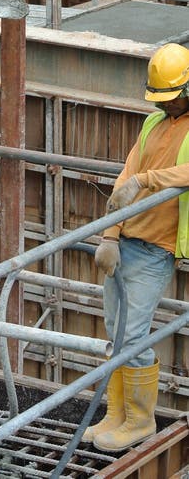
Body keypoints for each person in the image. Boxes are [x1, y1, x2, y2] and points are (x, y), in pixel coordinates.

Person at [83, 42, 189, 453]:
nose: (169, 104)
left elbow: (169, 174)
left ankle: (141, 421)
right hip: (127, 241)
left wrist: (146, 182)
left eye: (173, 97)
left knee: (132, 337)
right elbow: (127, 174)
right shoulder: (153, 123)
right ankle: (117, 414)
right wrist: (110, 234)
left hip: (155, 250)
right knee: (115, 335)